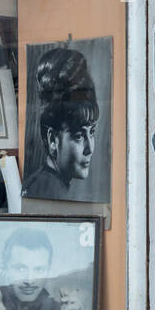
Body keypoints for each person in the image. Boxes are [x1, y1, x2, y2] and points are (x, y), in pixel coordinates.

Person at [22, 47, 99, 199]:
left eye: (92, 132)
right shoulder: (51, 194)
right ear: (52, 139)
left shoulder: (42, 184)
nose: (89, 148)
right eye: (78, 135)